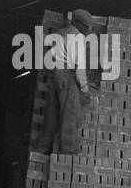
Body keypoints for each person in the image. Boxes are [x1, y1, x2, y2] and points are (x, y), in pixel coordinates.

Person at [40, 9, 102, 155]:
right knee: (70, 114)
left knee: (52, 115)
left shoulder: (62, 32)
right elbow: (79, 67)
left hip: (56, 75)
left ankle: (43, 148)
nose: (88, 29)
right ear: (76, 22)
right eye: (86, 25)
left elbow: (49, 49)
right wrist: (84, 88)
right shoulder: (78, 38)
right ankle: (69, 151)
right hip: (67, 76)